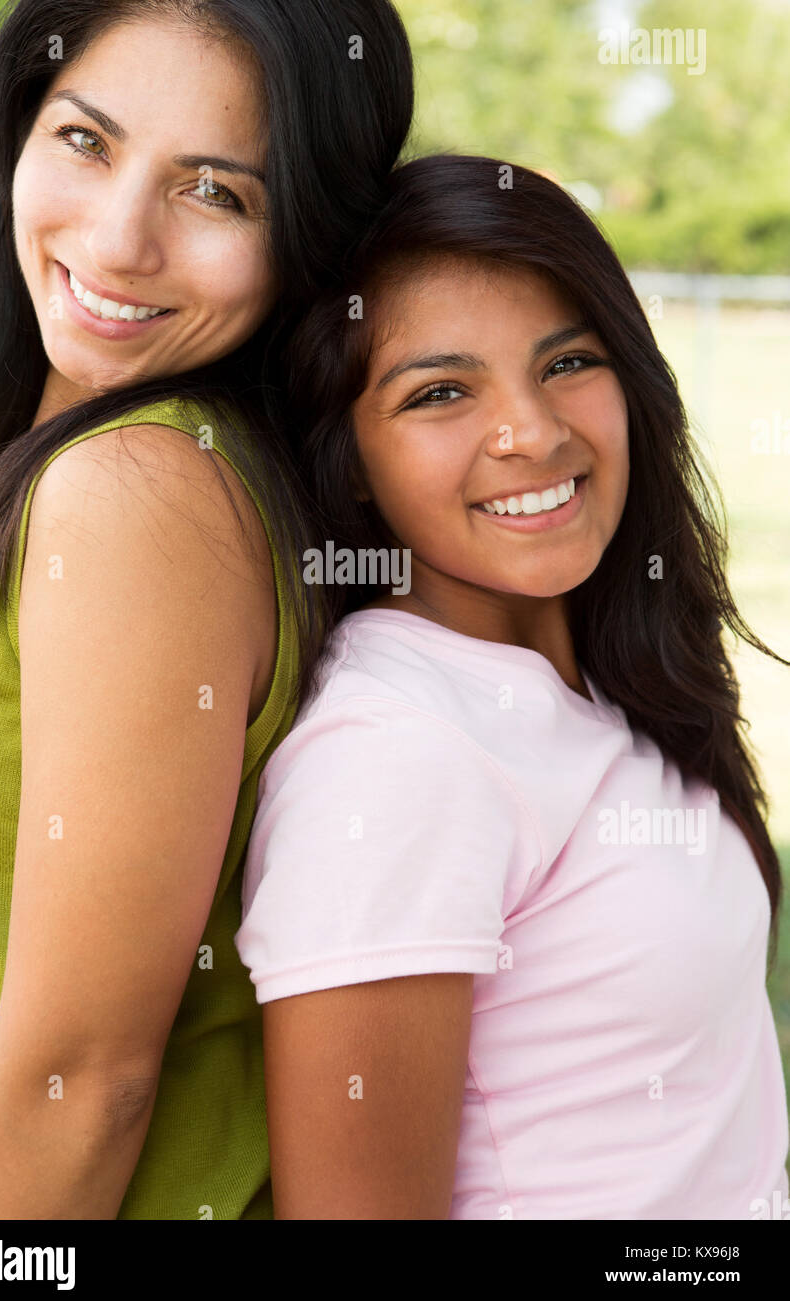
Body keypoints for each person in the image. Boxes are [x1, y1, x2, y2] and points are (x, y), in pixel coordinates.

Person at [0, 0, 413, 1220]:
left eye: (217, 191)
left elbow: (82, 1081)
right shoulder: (52, 461)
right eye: (85, 140)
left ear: (307, 243)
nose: (121, 237)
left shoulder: (134, 496)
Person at [235, 154, 790, 1220]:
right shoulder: (394, 756)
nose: (531, 432)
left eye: (566, 362)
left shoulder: (603, 681)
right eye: (439, 391)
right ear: (349, 457)